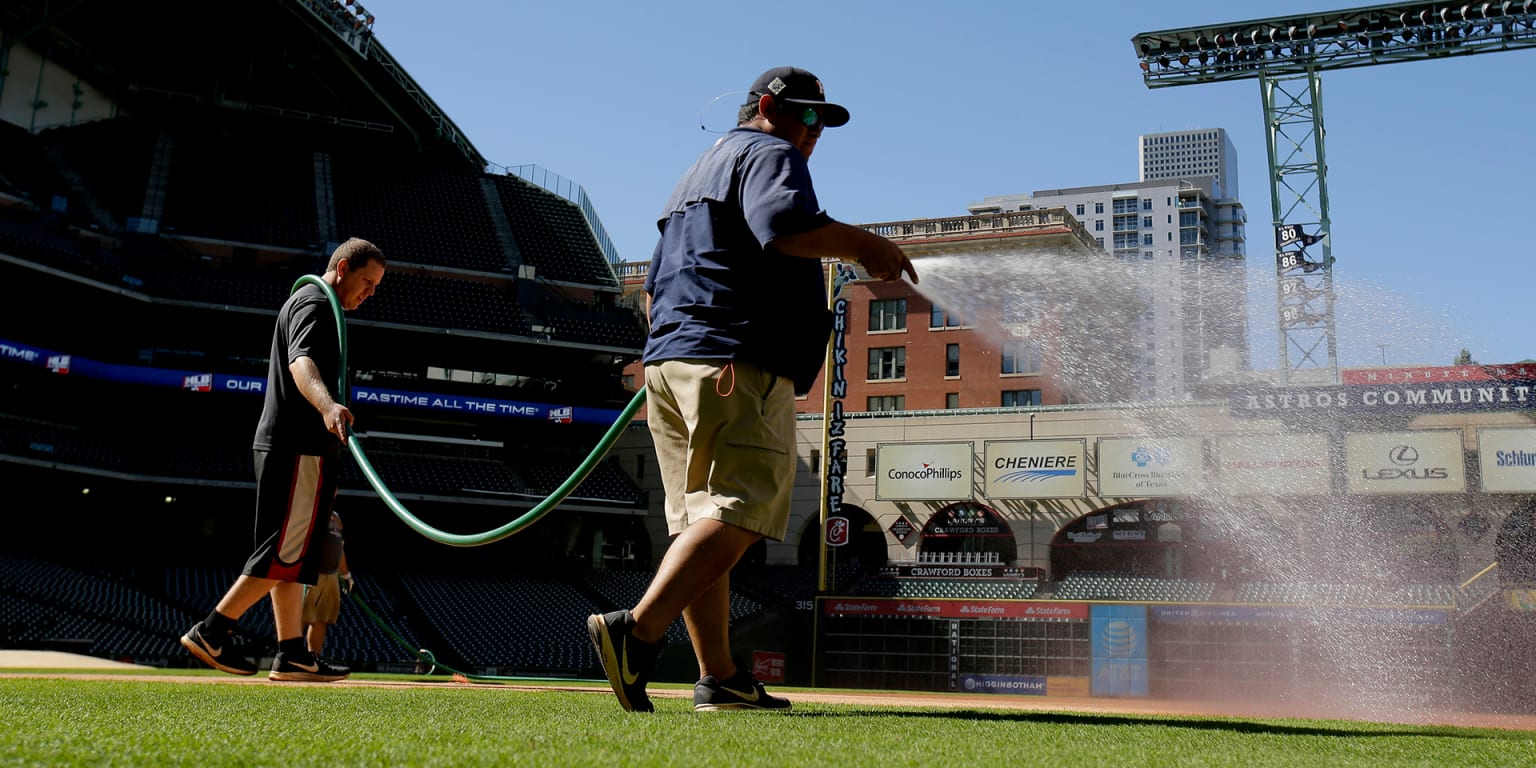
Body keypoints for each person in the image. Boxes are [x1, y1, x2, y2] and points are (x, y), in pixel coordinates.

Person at [587, 66, 917, 713]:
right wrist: (863, 243)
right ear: (766, 107)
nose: (814, 134)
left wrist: (681, 350)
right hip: (735, 359)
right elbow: (784, 227)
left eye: (823, 123)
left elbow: (652, 290)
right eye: (808, 117)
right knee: (742, 504)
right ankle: (637, 631)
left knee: (701, 521)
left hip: (671, 363)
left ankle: (721, 678)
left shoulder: (693, 175)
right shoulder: (769, 152)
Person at [180, 237, 386, 682]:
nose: (370, 293)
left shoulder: (316, 304)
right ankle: (212, 631)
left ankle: (293, 652)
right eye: (367, 282)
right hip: (298, 447)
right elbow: (301, 363)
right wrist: (329, 406)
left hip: (301, 448)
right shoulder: (313, 302)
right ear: (344, 267)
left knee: (296, 556)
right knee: (281, 553)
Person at [301, 511, 354, 658]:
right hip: (309, 572)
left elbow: (339, 550)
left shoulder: (336, 517)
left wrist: (347, 576)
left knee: (321, 619)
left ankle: (314, 658)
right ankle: (291, 655)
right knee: (299, 618)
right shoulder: (310, 508)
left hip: (330, 574)